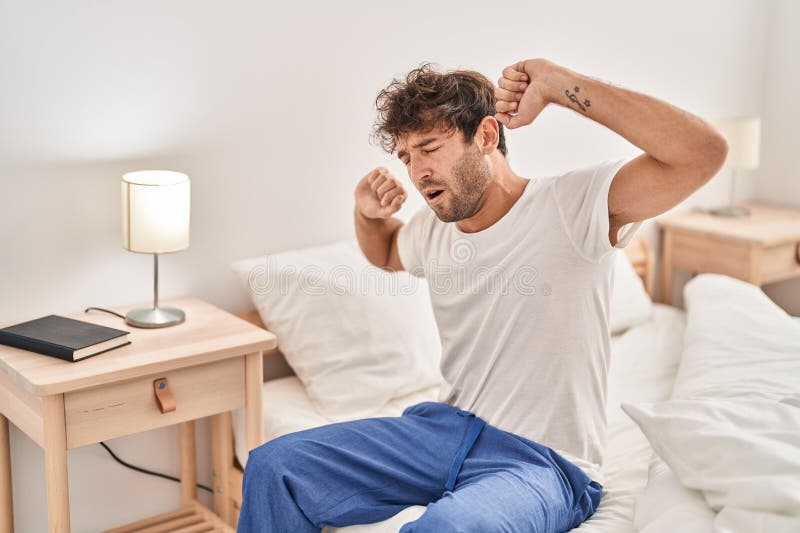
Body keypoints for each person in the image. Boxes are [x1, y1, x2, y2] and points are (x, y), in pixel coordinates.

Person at [237, 58, 728, 532]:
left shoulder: (573, 207)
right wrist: (366, 214)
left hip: (543, 460)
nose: (417, 171)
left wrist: (559, 84)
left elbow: (703, 152)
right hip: (440, 431)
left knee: (450, 528)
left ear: (487, 135)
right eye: (407, 157)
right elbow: (384, 251)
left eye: (430, 148)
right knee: (274, 465)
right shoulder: (433, 232)